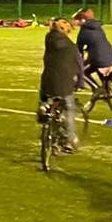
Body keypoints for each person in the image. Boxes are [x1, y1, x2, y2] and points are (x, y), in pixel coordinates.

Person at [39, 17, 81, 153]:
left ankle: (43, 108)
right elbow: (79, 66)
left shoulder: (49, 39)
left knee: (47, 101)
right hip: (64, 83)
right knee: (69, 110)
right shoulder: (71, 47)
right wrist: (80, 82)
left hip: (47, 81)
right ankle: (69, 139)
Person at [72, 7, 112, 87]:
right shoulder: (98, 27)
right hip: (111, 56)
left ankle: (96, 89)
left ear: (82, 20)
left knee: (82, 71)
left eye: (77, 19)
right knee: (94, 64)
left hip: (98, 59)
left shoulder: (83, 32)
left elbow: (79, 50)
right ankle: (106, 88)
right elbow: (96, 42)